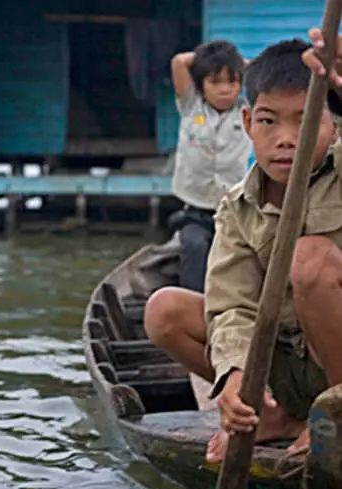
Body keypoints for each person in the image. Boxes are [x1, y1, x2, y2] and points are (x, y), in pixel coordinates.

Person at [144, 32, 342, 464]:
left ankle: (338, 414)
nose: (287, 138)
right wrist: (234, 376)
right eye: (270, 121)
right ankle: (279, 414)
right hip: (291, 361)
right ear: (248, 122)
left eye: (305, 119)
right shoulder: (237, 208)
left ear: (334, 125)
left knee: (310, 259)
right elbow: (231, 307)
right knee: (165, 310)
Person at [169, 40, 252, 293]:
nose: (225, 90)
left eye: (232, 81)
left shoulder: (246, 111)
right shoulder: (191, 106)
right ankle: (193, 303)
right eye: (215, 82)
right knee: (194, 247)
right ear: (201, 85)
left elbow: (260, 70)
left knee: (236, 255)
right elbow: (179, 62)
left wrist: (237, 62)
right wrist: (212, 59)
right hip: (196, 209)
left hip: (234, 209)